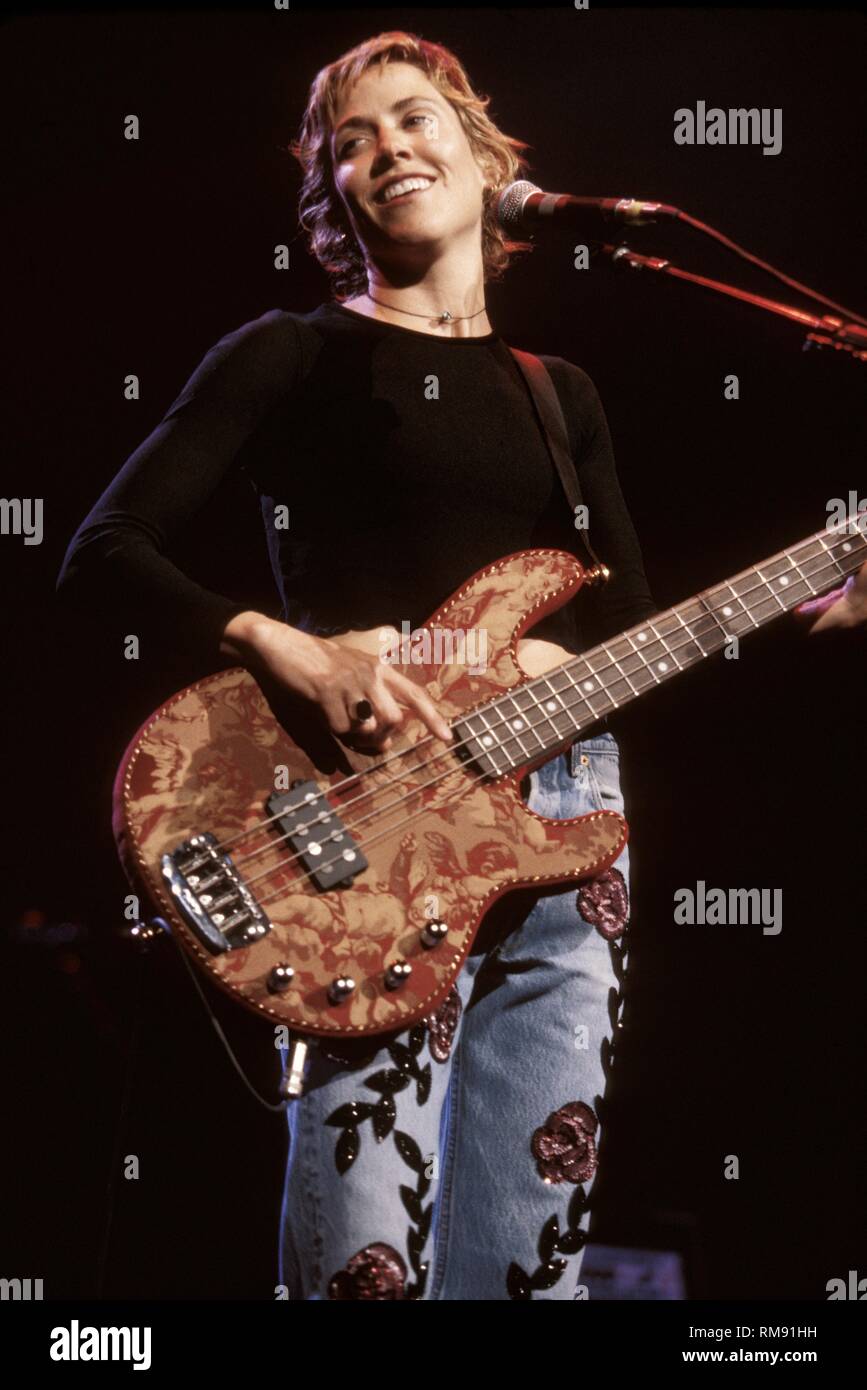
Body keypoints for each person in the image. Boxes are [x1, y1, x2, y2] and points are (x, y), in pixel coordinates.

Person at [56, 32, 866, 1302]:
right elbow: (102, 551)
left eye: (416, 120)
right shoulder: (291, 351)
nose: (390, 151)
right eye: (353, 141)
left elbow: (649, 638)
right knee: (367, 1250)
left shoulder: (562, 392)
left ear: (487, 157)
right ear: (331, 199)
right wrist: (294, 649)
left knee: (533, 1250)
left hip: (565, 831)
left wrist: (818, 605)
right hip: (365, 826)